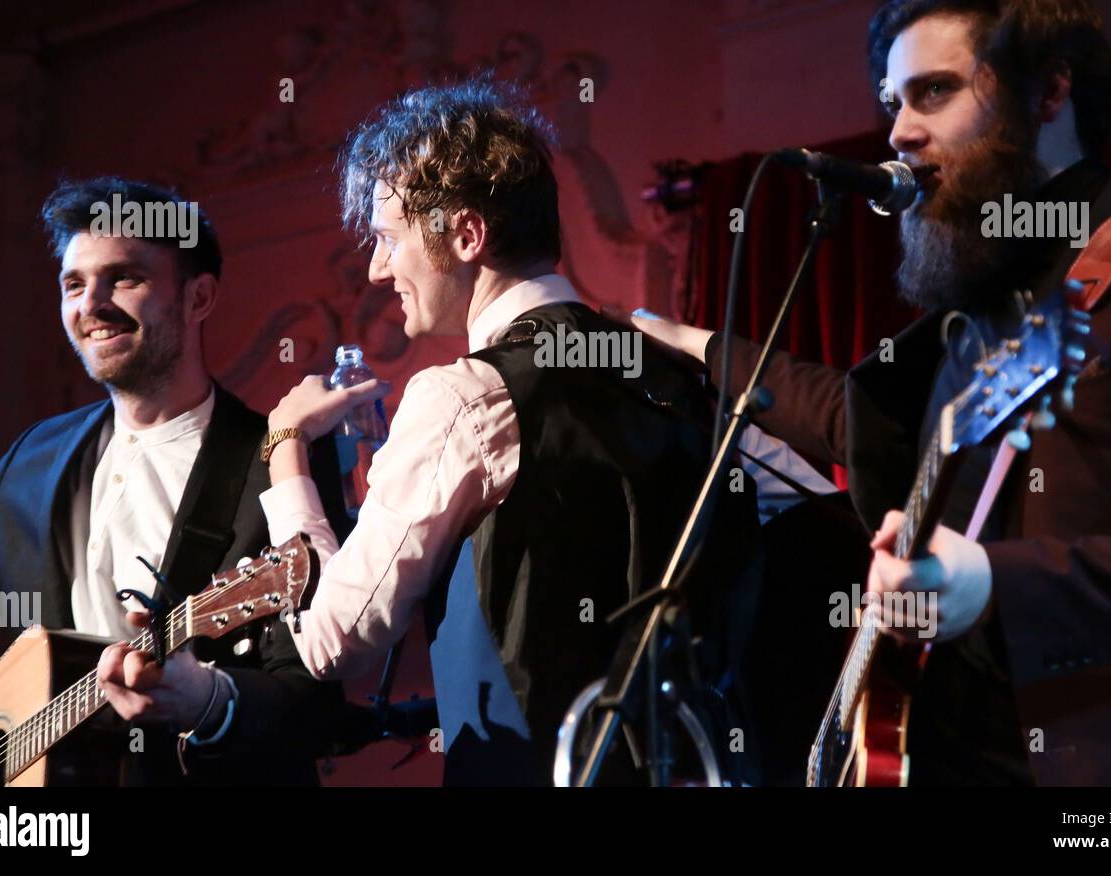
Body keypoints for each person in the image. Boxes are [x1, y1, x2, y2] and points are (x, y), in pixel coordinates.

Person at [627, 0, 1111, 785]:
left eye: (935, 93)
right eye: (893, 104)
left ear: (1050, 93)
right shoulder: (974, 325)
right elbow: (850, 417)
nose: (899, 134)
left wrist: (997, 583)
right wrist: (701, 346)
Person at [255, 77, 808, 784]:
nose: (376, 268)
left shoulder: (463, 396)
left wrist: (285, 451)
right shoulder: (671, 373)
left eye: (390, 239)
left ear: (465, 233)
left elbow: (335, 639)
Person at [0, 177, 351, 785]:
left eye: (124, 278)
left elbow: (320, 704)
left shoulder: (280, 461)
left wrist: (209, 700)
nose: (91, 305)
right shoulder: (33, 456)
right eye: (73, 285)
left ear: (199, 297)